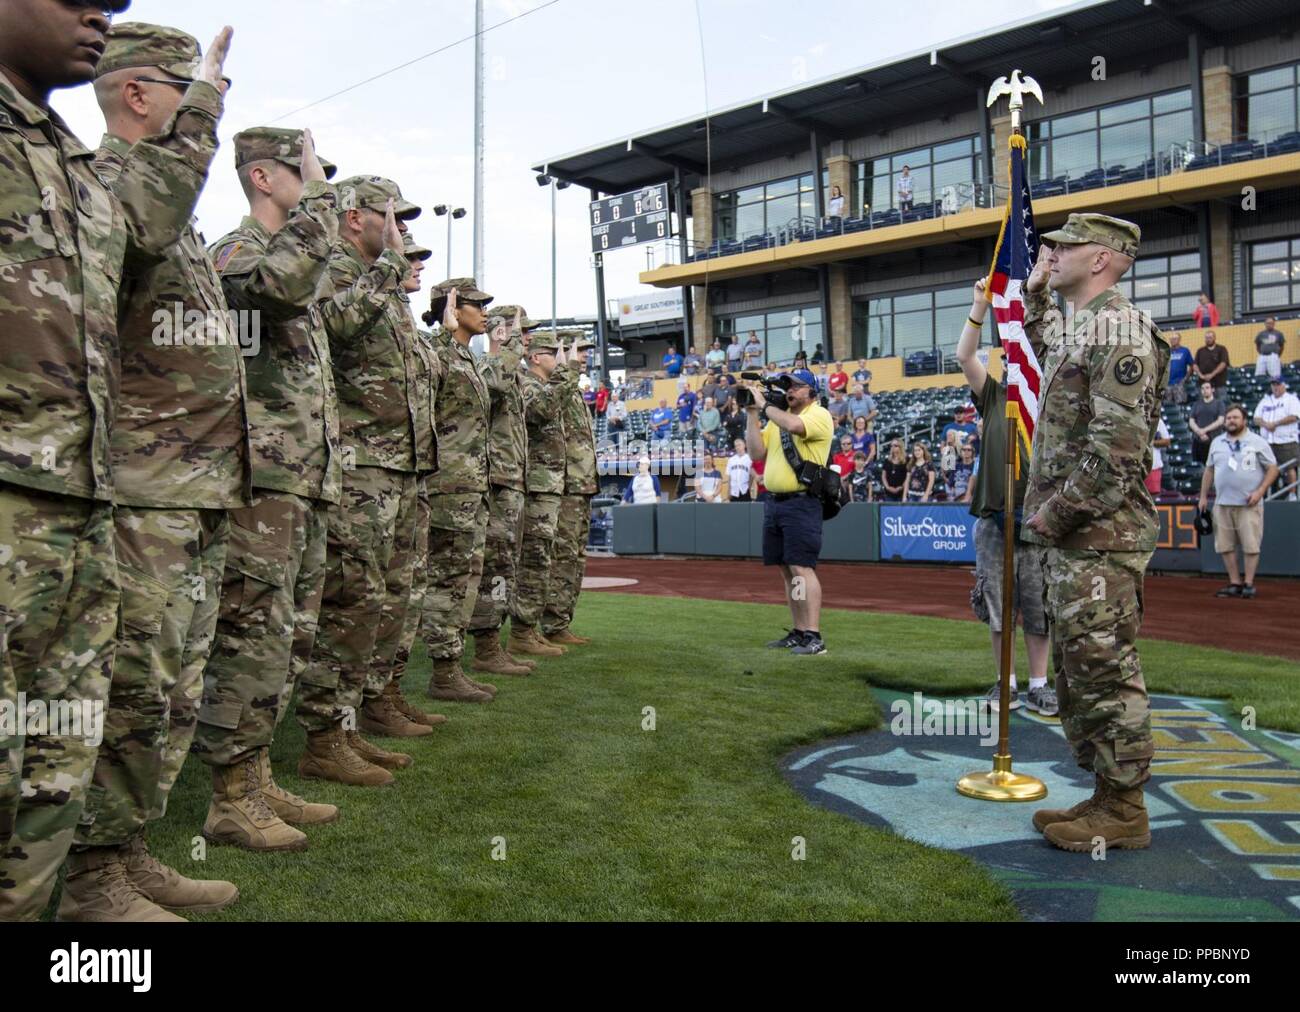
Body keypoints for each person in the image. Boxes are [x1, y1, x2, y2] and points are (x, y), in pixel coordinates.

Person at [8, 17, 235, 925]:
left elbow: (150, 213)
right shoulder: (98, 174)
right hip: (114, 486)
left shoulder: (74, 170)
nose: (96, 14)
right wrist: (211, 108)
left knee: (81, 729)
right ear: (141, 94)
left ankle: (108, 862)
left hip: (99, 484)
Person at [193, 126, 345, 856]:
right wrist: (322, 200)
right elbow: (275, 296)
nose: (317, 182)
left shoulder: (295, 262)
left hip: (301, 480)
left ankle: (255, 775)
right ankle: (228, 798)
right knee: (250, 636)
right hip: (261, 479)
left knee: (288, 638)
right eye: (304, 170)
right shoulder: (237, 254)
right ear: (262, 176)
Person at [1019, 213, 1169, 853]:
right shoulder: (1085, 326)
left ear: (1103, 258)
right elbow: (1041, 337)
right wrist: (1031, 290)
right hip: (1079, 540)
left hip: (1099, 537)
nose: (1050, 252)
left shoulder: (1122, 331)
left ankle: (1126, 810)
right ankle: (1107, 795)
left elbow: (1116, 455)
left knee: (1105, 670)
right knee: (1080, 671)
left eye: (1064, 245)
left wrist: (1050, 516)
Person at [307, 174, 429, 783]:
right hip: (359, 468)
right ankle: (325, 738)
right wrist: (386, 276)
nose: (404, 229)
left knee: (384, 601)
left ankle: (357, 718)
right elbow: (333, 328)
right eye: (393, 216)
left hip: (398, 469)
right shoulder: (335, 269)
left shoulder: (385, 289)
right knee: (350, 602)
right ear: (354, 217)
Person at [957, 279, 1054, 715]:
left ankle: (1038, 684)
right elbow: (964, 356)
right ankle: (1005, 684)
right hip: (994, 518)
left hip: (1037, 520)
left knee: (1038, 606)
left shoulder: (1048, 402)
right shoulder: (994, 396)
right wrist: (979, 308)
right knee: (998, 605)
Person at [419, 280, 501, 704]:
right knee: (447, 578)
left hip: (471, 483)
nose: (485, 311)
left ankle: (453, 666)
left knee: (465, 578)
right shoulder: (437, 351)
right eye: (477, 304)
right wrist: (445, 332)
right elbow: (424, 376)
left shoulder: (467, 359)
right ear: (453, 306)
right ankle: (442, 670)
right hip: (448, 484)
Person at [469, 306, 541, 678]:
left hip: (511, 479)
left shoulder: (512, 372)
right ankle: (485, 646)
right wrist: (508, 345)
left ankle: (494, 641)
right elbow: (493, 381)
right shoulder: (487, 366)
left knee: (505, 566)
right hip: (496, 480)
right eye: (518, 330)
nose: (524, 337)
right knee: (495, 565)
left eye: (525, 332)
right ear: (497, 332)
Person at [744, 369, 834, 655]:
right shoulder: (775, 418)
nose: (789, 390)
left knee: (801, 568)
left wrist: (765, 406)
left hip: (802, 502)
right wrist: (751, 414)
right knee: (788, 572)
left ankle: (814, 635)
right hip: (775, 502)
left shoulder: (818, 414)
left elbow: (795, 426)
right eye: (788, 386)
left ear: (810, 391)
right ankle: (798, 630)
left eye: (795, 386)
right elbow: (757, 453)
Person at [509, 331, 572, 658]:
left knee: (542, 557)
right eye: (552, 352)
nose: (558, 358)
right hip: (535, 484)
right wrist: (568, 373)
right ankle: (521, 631)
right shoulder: (529, 385)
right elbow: (539, 412)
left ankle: (528, 629)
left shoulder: (546, 386)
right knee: (534, 558)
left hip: (547, 484)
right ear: (535, 357)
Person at [541, 333, 600, 648]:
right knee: (561, 557)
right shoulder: (555, 390)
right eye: (577, 350)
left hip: (581, 486)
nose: (583, 356)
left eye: (586, 351)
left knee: (574, 557)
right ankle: (551, 623)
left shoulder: (574, 392)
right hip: (565, 486)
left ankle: (561, 622)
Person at [1199, 405, 1278, 599]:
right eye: (1228, 418)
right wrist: (1202, 496)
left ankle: (1248, 583)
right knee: (1225, 545)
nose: (1231, 421)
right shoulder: (1217, 442)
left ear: (1244, 420)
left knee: (1251, 545)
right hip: (1222, 503)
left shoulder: (1257, 441)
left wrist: (1260, 492)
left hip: (1249, 504)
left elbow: (1273, 469)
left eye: (1235, 417)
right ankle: (1234, 582)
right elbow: (1209, 470)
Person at [1254, 375, 1299, 500]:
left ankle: (1292, 494)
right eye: (1273, 384)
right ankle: (1266, 494)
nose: (1275, 387)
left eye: (1278, 384)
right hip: (1268, 442)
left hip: (1287, 441)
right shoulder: (1266, 400)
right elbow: (1256, 418)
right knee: (1266, 469)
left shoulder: (1291, 399)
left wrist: (1276, 423)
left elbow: (1294, 417)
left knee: (1290, 467)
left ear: (1284, 385)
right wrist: (1266, 424)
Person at [1189, 380, 1226, 466]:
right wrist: (1199, 432)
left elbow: (1220, 421)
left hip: (1214, 440)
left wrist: (1204, 430)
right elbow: (1191, 421)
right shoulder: (1196, 404)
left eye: (1207, 388)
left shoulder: (1219, 404)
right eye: (1202, 388)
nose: (1204, 390)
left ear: (1212, 389)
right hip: (1197, 441)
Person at [1164, 331, 1193, 404]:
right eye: (1171, 339)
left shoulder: (1185, 351)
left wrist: (1186, 378)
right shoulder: (1166, 351)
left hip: (1180, 383)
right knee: (1168, 405)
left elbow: (1192, 365)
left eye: (1175, 339)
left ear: (1179, 340)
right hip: (1168, 383)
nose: (1172, 340)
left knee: (1180, 403)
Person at [1146, 417, 1171, 495]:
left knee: (1152, 497)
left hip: (1153, 466)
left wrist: (1150, 442)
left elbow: (1167, 441)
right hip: (1134, 466)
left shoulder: (1157, 421)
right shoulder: (1132, 417)